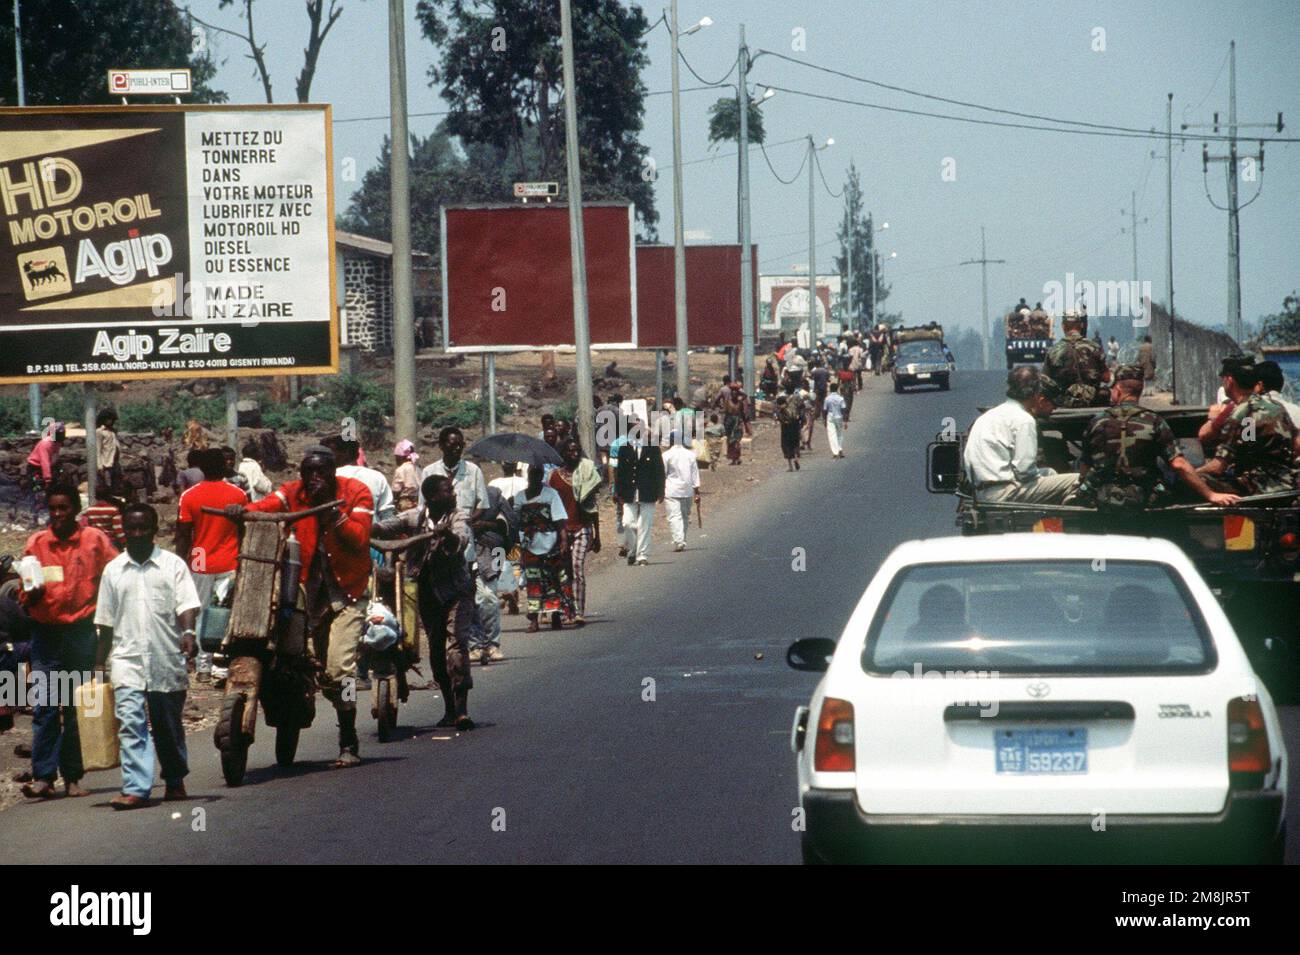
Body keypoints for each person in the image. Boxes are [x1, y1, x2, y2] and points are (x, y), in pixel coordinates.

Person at [232, 447, 375, 767]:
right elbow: (268, 505)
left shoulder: (356, 494)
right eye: (308, 473)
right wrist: (241, 511)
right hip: (310, 595)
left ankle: (348, 738)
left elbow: (360, 538)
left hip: (348, 593)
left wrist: (333, 514)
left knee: (341, 674)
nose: (314, 479)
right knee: (311, 668)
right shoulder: (294, 493)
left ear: (333, 472)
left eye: (321, 472)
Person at [94, 503, 201, 809]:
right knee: (130, 722)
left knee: (167, 725)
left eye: (144, 529)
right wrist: (99, 663)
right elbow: (105, 622)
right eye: (132, 529)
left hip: (165, 657)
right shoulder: (113, 571)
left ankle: (175, 777)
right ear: (122, 532)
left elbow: (186, 605)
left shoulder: (173, 565)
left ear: (155, 531)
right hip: (126, 659)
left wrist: (189, 634)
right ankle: (136, 787)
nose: (137, 534)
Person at [19, 484, 118, 799]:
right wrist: (30, 595)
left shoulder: (95, 541)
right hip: (46, 636)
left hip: (80, 634)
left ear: (76, 509)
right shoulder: (36, 545)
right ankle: (44, 777)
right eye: (53, 509)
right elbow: (25, 592)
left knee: (77, 708)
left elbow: (116, 575)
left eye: (64, 508)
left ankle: (73, 777)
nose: (58, 515)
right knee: (46, 706)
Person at [373, 474, 475, 730]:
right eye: (447, 490)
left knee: (457, 646)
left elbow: (461, 541)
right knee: (437, 651)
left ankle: (462, 710)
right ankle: (449, 708)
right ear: (432, 497)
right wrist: (364, 525)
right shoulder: (416, 517)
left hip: (456, 592)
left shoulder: (457, 517)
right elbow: (387, 527)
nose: (452, 494)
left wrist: (446, 536)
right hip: (428, 594)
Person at [1077, 365, 1240, 510]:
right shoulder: (1154, 421)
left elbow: (1084, 468)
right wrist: (1211, 493)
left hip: (1103, 500)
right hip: (1143, 501)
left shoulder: (1097, 422)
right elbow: (1182, 462)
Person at [176, 448, 247, 684]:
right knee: (223, 612)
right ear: (224, 467)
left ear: (201, 469)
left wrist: (181, 564)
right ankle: (220, 665)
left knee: (199, 611)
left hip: (199, 555)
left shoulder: (189, 496)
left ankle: (202, 666)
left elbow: (184, 534)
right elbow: (243, 530)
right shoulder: (238, 494)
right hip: (230, 557)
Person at [963, 368, 1080, 504]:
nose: (1053, 409)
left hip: (981, 493)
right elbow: (1024, 472)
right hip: (1005, 493)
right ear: (1037, 395)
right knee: (1077, 479)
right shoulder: (1024, 419)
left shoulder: (987, 416)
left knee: (1050, 472)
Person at [1197, 363, 1299, 496]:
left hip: (1257, 487)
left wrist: (1192, 473)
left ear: (1229, 380)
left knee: (1197, 481)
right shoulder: (1276, 407)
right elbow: (1297, 445)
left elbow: (1218, 467)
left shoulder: (1241, 413)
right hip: (1288, 484)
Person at [514, 463, 574, 630]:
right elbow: (515, 520)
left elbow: (560, 520)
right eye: (532, 473)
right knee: (533, 581)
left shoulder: (551, 494)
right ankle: (534, 619)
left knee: (553, 580)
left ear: (541, 475)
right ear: (528, 475)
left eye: (538, 473)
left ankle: (555, 615)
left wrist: (563, 541)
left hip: (550, 542)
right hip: (529, 544)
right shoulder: (519, 497)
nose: (535, 476)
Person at [548, 437, 601, 623]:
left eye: (577, 451)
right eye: (570, 451)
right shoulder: (554, 477)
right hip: (561, 530)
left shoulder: (585, 474)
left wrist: (597, 535)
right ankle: (564, 608)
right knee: (563, 570)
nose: (574, 454)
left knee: (577, 567)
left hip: (581, 527)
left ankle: (578, 610)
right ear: (563, 453)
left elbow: (592, 508)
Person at [468, 484, 516, 659]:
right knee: (468, 600)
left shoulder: (494, 497)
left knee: (488, 596)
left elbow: (508, 526)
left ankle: (492, 644)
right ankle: (474, 645)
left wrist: (484, 524)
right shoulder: (452, 496)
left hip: (493, 550)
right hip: (464, 551)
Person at [614, 426, 665, 566]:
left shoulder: (652, 448)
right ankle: (633, 549)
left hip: (648, 491)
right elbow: (620, 472)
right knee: (628, 523)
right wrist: (617, 492)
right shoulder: (625, 448)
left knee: (645, 525)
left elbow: (659, 469)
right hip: (629, 492)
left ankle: (642, 555)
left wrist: (661, 490)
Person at [1043, 312, 1110, 408]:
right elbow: (1106, 378)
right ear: (1081, 325)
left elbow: (1046, 380)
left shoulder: (1053, 351)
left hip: (1063, 404)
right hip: (1093, 403)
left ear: (1063, 326)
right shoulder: (1095, 347)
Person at [330, 436, 396, 522]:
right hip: (373, 531)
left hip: (339, 532)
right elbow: (386, 514)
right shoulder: (377, 476)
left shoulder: (331, 476)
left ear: (343, 454)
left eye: (331, 454)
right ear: (357, 455)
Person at [661, 430, 700, 552]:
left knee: (674, 516)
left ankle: (679, 540)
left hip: (671, 489)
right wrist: (697, 490)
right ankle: (681, 538)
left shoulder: (666, 455)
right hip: (687, 490)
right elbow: (695, 474)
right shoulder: (691, 455)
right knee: (685, 515)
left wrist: (660, 489)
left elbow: (663, 473)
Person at [26, 422, 64, 492]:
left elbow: (55, 457)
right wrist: (48, 479)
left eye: (62, 433)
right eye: (59, 434)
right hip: (35, 467)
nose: (61, 435)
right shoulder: (45, 443)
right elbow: (44, 461)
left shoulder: (57, 443)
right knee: (37, 490)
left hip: (49, 467)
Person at [719, 380, 750, 465]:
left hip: (737, 422)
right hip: (729, 422)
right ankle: (733, 459)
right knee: (730, 441)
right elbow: (725, 413)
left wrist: (746, 425)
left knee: (737, 440)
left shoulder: (740, 402)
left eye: (736, 393)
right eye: (733, 392)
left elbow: (745, 396)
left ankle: (737, 457)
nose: (734, 394)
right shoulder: (727, 401)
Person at [95, 409, 122, 496]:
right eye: (108, 419)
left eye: (112, 419)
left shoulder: (113, 431)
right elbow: (98, 450)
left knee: (116, 485)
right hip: (106, 464)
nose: (110, 421)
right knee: (107, 486)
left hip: (115, 463)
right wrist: (100, 466)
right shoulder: (99, 432)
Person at [776, 394, 803, 471]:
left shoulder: (781, 412)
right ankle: (796, 459)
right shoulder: (793, 409)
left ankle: (790, 466)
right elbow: (799, 416)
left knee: (786, 447)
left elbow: (782, 420)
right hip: (795, 428)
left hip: (786, 431)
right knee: (795, 445)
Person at [824, 381, 847, 459]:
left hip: (830, 417)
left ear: (830, 389)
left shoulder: (827, 398)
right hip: (839, 416)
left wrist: (824, 420)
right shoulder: (840, 398)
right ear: (837, 389)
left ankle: (835, 452)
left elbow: (824, 410)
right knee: (839, 434)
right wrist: (845, 421)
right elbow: (843, 409)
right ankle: (840, 449)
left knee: (832, 434)